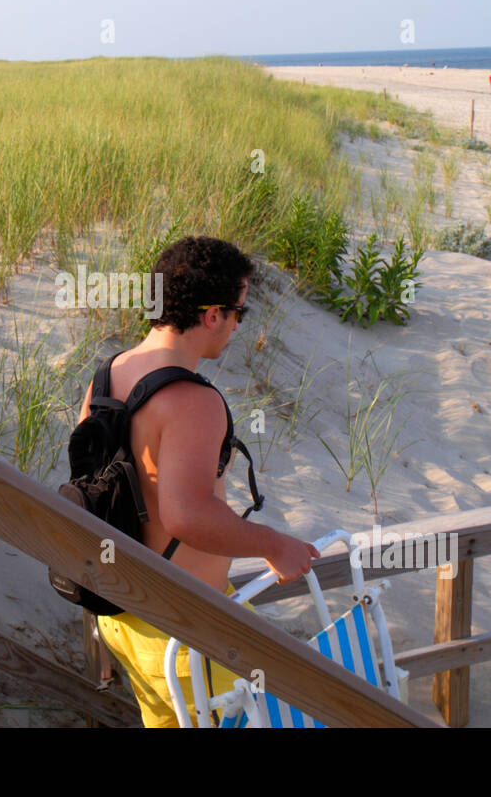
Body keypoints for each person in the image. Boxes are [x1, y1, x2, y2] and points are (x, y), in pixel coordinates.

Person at [84, 237, 318, 728]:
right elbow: (186, 514)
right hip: (187, 630)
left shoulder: (108, 375)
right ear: (212, 315)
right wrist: (274, 545)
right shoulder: (192, 400)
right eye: (239, 313)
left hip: (126, 615)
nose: (237, 326)